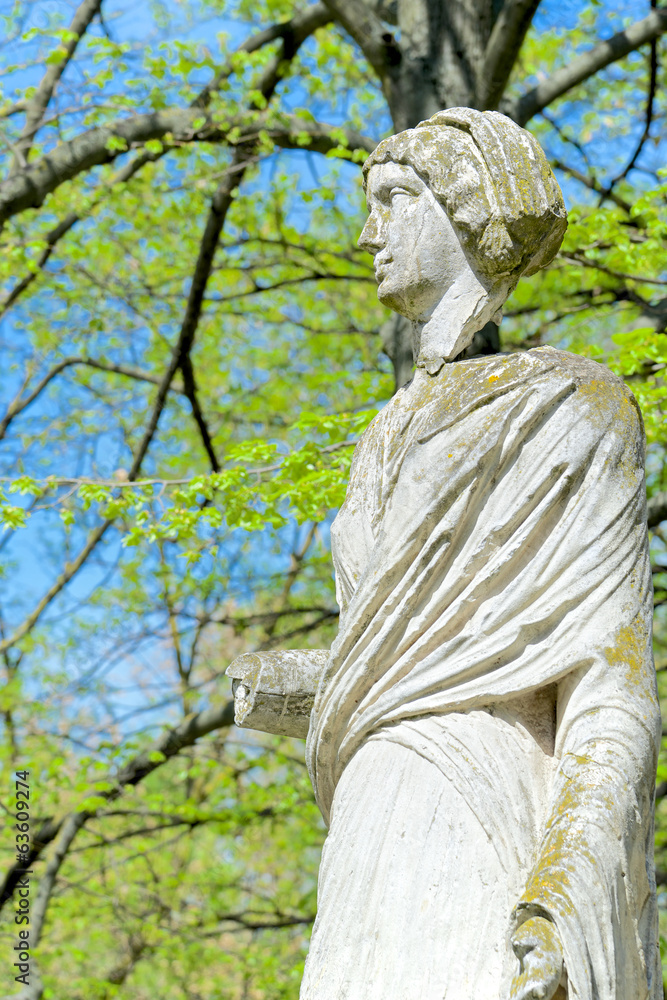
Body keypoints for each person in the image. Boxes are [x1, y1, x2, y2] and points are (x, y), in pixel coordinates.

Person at [231, 109, 661, 1000]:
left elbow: (605, 684)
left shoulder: (569, 406)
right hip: (364, 812)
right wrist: (292, 684)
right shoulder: (380, 437)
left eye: (393, 199)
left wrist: (557, 894)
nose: (367, 234)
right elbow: (406, 651)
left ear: (466, 211)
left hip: (482, 797)